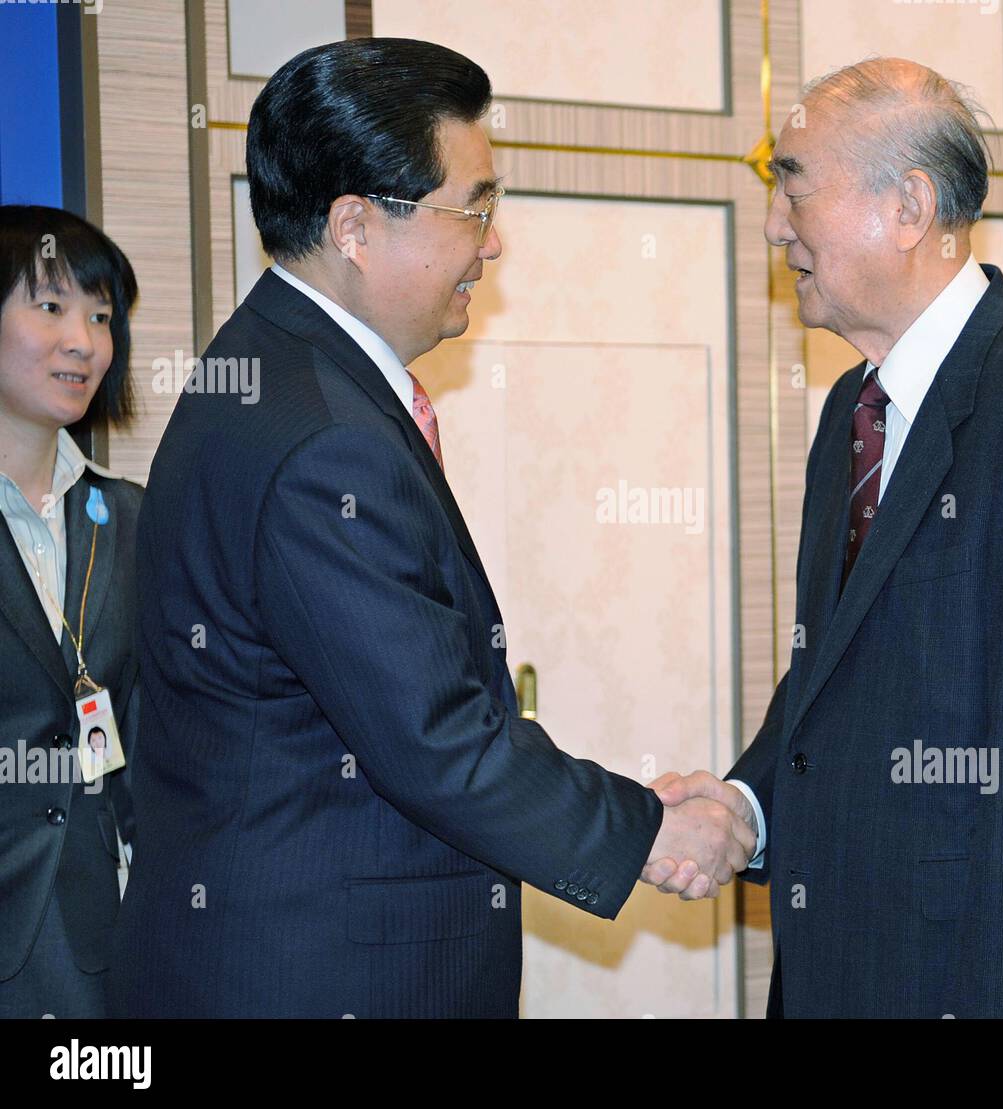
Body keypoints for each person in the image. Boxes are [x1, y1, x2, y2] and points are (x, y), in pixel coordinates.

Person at [108, 38, 752, 1019]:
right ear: (356, 226)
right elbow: (436, 739)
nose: (492, 245)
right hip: (316, 974)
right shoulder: (320, 436)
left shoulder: (279, 374)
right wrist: (649, 829)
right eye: (473, 209)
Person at [649, 58, 1003, 1017]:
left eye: (793, 185)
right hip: (838, 963)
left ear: (908, 207)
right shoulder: (850, 409)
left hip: (957, 974)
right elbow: (835, 680)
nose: (775, 224)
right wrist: (747, 804)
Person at [0, 204, 140, 1018]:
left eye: (100, 316)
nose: (83, 341)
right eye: (50, 306)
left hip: (101, 944)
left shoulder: (130, 517)